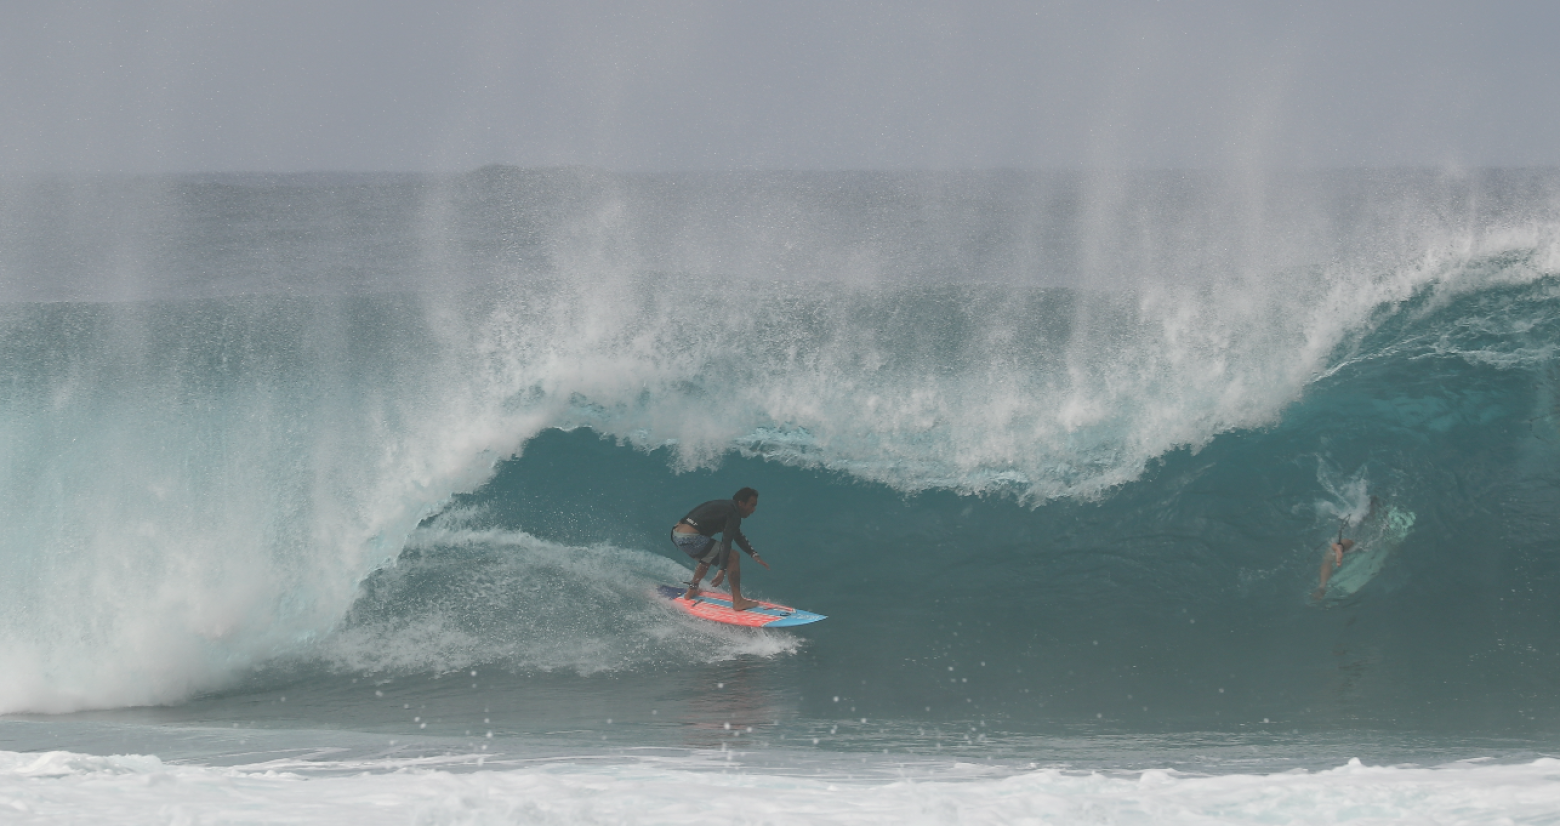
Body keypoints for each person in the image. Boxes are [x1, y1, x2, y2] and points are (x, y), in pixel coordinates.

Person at [671, 487, 769, 611]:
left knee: (708, 554)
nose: (753, 510)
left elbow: (736, 535)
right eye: (751, 505)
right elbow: (726, 542)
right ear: (741, 503)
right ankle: (738, 601)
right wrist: (722, 568)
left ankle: (692, 589)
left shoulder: (726, 507)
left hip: (677, 534)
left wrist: (753, 554)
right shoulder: (733, 514)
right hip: (690, 538)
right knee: (733, 556)